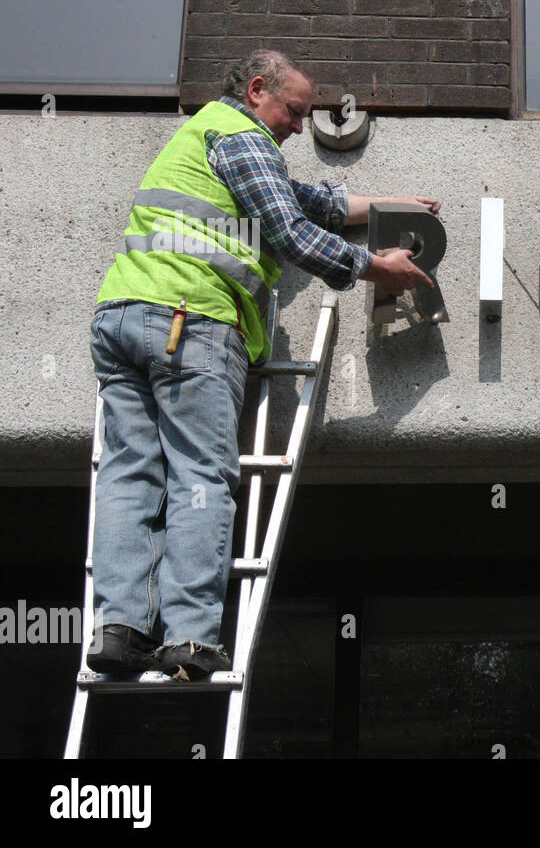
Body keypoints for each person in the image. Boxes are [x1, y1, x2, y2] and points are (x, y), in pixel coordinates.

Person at [88, 49, 436, 680]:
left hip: (122, 317)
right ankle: (189, 639)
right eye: (295, 111)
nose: (300, 127)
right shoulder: (245, 138)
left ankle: (119, 631)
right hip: (188, 320)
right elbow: (289, 233)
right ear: (256, 91)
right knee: (200, 473)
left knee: (128, 477)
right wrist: (373, 267)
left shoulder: (202, 138)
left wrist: (390, 203)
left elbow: (307, 202)